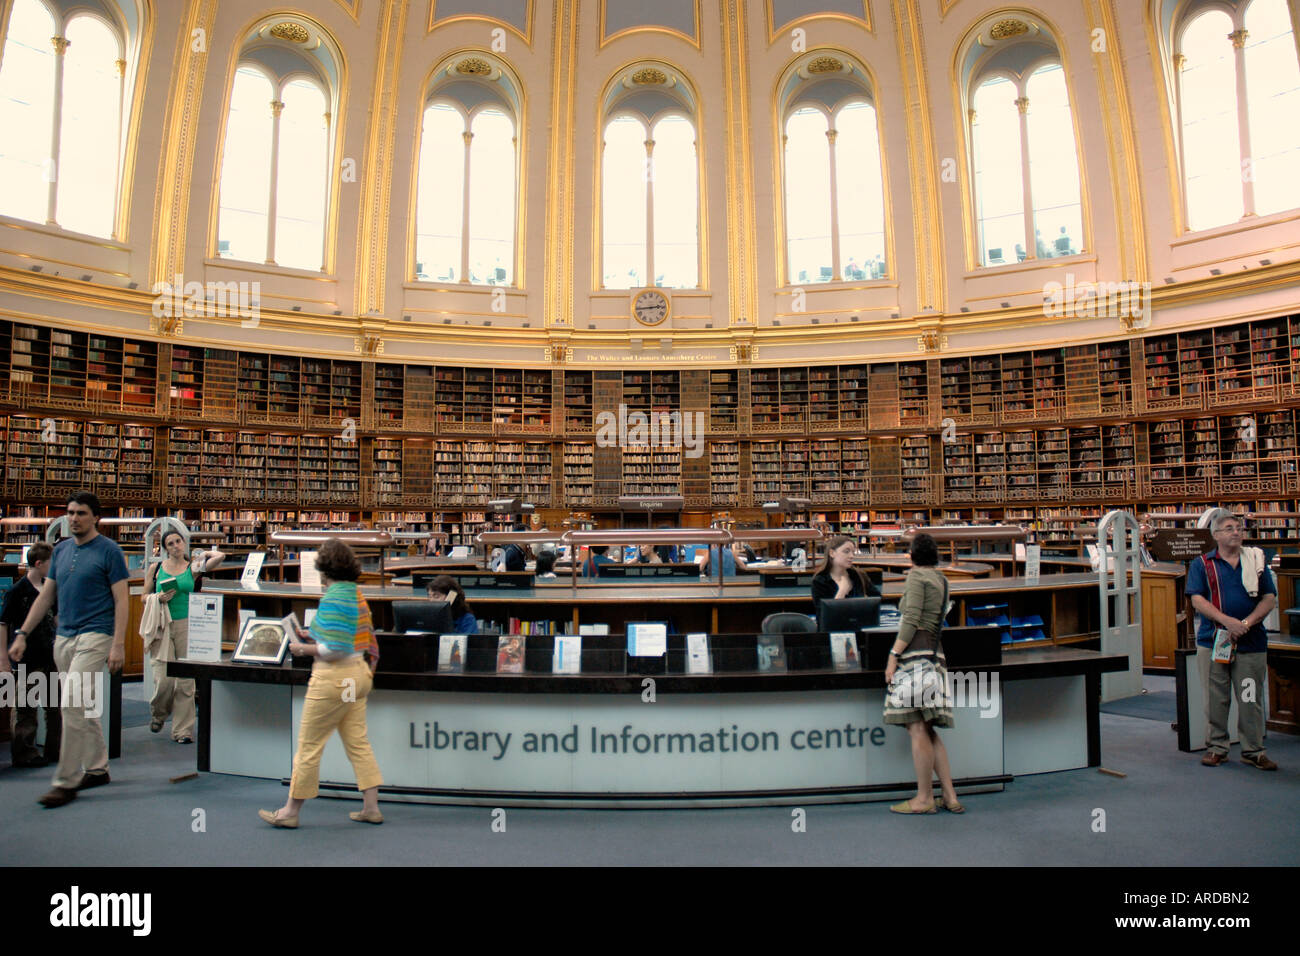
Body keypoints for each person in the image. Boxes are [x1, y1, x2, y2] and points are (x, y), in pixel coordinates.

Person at [9, 492, 129, 808]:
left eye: (81, 513)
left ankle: (66, 781)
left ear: (95, 518)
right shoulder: (60, 551)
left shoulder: (110, 552)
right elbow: (46, 597)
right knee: (83, 705)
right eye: (71, 513)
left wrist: (118, 644)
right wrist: (22, 634)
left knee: (71, 703)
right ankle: (98, 767)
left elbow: (122, 600)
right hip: (64, 638)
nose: (74, 518)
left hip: (96, 635)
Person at [260, 539, 384, 827]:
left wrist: (305, 649)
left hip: (334, 678)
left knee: (309, 745)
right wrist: (312, 635)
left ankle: (290, 812)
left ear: (324, 569)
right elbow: (349, 637)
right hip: (357, 676)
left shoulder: (333, 597)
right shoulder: (355, 594)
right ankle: (371, 807)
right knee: (358, 742)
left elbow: (334, 649)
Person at [1186, 509, 1278, 770]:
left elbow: (1269, 599)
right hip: (1215, 641)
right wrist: (1227, 622)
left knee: (1250, 698)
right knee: (1216, 697)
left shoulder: (1256, 561)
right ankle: (1217, 747)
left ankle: (1253, 750)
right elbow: (1197, 599)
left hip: (1251, 644)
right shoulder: (1202, 564)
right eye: (1229, 528)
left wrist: (1245, 624)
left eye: (1238, 527)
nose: (1236, 531)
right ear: (1215, 535)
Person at [883, 533, 962, 814]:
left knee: (916, 726)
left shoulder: (916, 577)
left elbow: (911, 619)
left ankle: (924, 798)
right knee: (928, 728)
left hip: (915, 653)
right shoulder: (942, 579)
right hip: (934, 652)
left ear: (912, 555)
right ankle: (950, 796)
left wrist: (893, 656)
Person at [144, 529, 225, 744]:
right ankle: (159, 713)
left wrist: (204, 552)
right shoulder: (156, 568)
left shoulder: (193, 567)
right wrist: (157, 597)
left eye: (178, 541)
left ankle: (183, 731)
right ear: (165, 548)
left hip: (187, 624)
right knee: (163, 678)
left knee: (186, 681)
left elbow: (220, 557)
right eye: (170, 543)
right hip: (163, 623)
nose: (175, 546)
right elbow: (144, 596)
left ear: (183, 543)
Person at [1, 543, 60, 767]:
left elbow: (56, 618)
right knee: (26, 707)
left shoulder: (50, 589)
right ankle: (25, 753)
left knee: (54, 706)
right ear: (39, 564)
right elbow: (3, 624)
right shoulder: (17, 591)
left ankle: (56, 749)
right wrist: (3, 659)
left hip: (50, 653)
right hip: (28, 656)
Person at [811, 535, 880, 606]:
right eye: (846, 551)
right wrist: (842, 592)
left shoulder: (858, 575)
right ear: (832, 553)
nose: (851, 556)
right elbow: (824, 614)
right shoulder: (819, 581)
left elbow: (877, 598)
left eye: (853, 552)